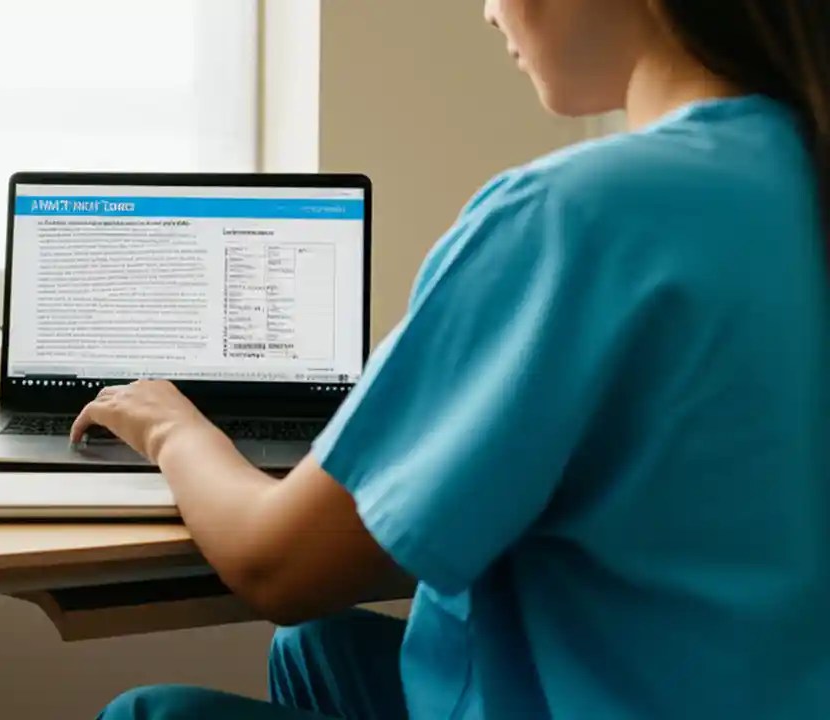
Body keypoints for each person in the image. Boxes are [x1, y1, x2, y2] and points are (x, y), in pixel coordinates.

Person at [78, 1, 830, 718]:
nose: (489, 11)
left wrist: (171, 428)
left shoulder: (575, 214)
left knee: (149, 712)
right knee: (316, 647)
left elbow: (275, 568)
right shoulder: (792, 171)